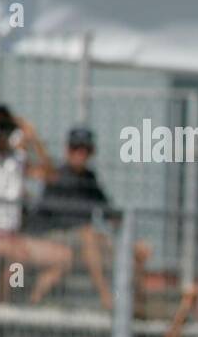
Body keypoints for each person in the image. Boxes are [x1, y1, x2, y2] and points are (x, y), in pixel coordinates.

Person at [29, 126, 151, 311]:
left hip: (82, 241)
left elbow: (108, 211)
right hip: (54, 237)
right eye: (75, 149)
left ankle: (139, 307)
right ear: (67, 150)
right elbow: (47, 217)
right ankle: (106, 298)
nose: (80, 154)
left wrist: (129, 237)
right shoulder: (57, 177)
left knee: (134, 250)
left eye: (85, 150)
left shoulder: (89, 179)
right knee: (88, 235)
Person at [0, 105, 71, 304]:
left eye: (6, 128)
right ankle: (3, 307)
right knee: (17, 255)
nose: (1, 133)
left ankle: (31, 302)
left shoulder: (18, 159)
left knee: (63, 257)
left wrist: (33, 138)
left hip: (12, 235)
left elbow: (50, 176)